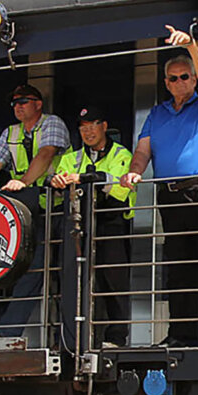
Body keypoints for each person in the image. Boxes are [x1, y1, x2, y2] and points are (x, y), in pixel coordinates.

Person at [121, 25, 198, 347]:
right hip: (170, 194)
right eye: (173, 78)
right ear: (166, 83)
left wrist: (191, 45)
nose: (179, 82)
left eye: (184, 77)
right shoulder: (157, 113)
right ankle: (179, 334)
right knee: (178, 265)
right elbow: (143, 151)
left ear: (192, 80)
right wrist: (134, 172)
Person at [0, 84, 70, 336]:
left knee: (66, 273)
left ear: (38, 104)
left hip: (58, 208)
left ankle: (66, 339)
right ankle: (7, 332)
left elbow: (46, 154)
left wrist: (24, 182)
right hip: (28, 212)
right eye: (14, 103)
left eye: (23, 101)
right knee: (31, 271)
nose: (17, 106)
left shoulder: (52, 123)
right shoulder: (10, 132)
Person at [51, 106, 135, 347]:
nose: (87, 132)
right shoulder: (71, 157)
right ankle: (70, 339)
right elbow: (57, 184)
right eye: (83, 127)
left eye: (92, 126)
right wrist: (57, 181)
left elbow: (117, 187)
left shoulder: (121, 154)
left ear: (104, 126)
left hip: (112, 222)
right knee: (73, 281)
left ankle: (116, 338)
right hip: (77, 224)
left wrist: (81, 179)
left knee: (113, 281)